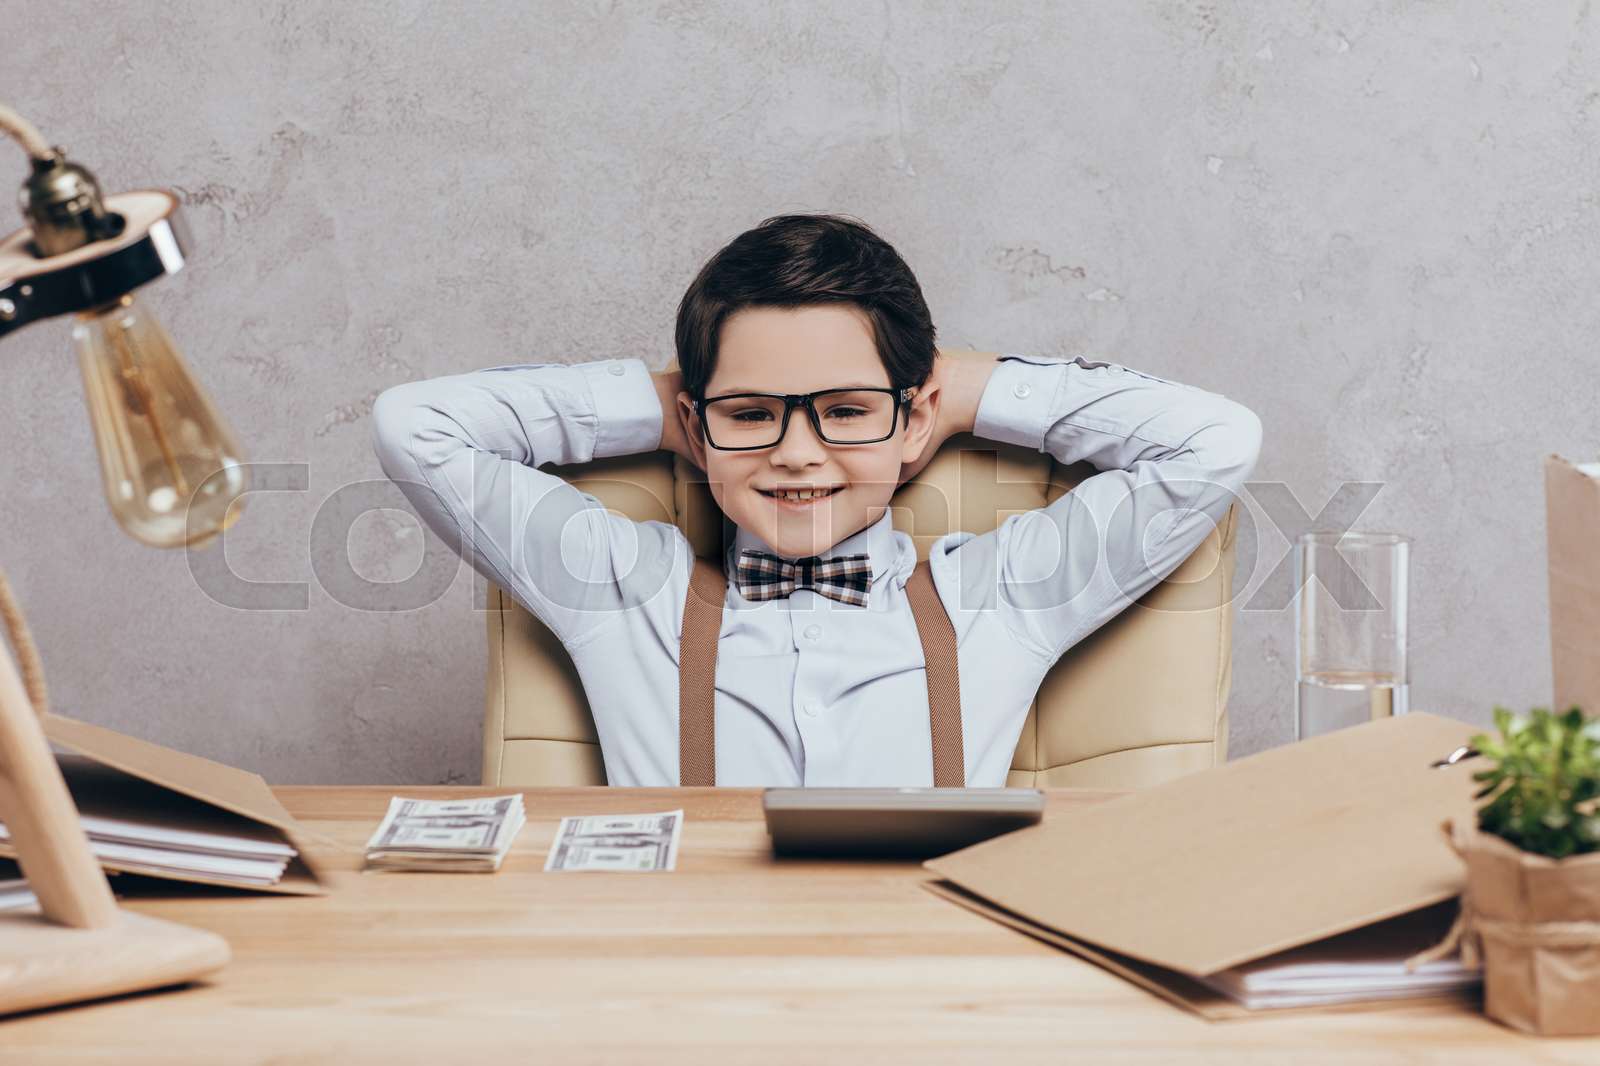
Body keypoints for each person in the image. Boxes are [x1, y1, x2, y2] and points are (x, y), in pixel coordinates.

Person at [370, 214, 1262, 787]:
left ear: (914, 419)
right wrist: (665, 405)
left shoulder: (1002, 599)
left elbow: (1214, 441)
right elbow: (416, 426)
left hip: (927, 996)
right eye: (752, 414)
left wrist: (963, 392)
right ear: (697, 425)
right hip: (681, 996)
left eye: (845, 411)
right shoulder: (622, 593)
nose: (797, 454)